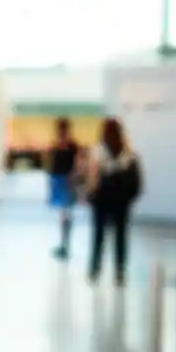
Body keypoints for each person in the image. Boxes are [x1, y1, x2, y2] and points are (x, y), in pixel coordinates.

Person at [86, 117, 142, 286]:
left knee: (98, 236)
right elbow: (136, 182)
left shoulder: (98, 152)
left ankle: (95, 270)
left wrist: (91, 195)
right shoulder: (128, 154)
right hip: (122, 202)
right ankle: (119, 272)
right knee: (121, 237)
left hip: (102, 201)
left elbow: (93, 178)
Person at [46, 117, 82, 259]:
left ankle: (66, 245)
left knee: (66, 214)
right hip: (58, 183)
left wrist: (72, 178)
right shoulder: (55, 146)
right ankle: (63, 245)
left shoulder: (72, 146)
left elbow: (77, 165)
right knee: (63, 215)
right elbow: (52, 165)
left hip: (67, 183)